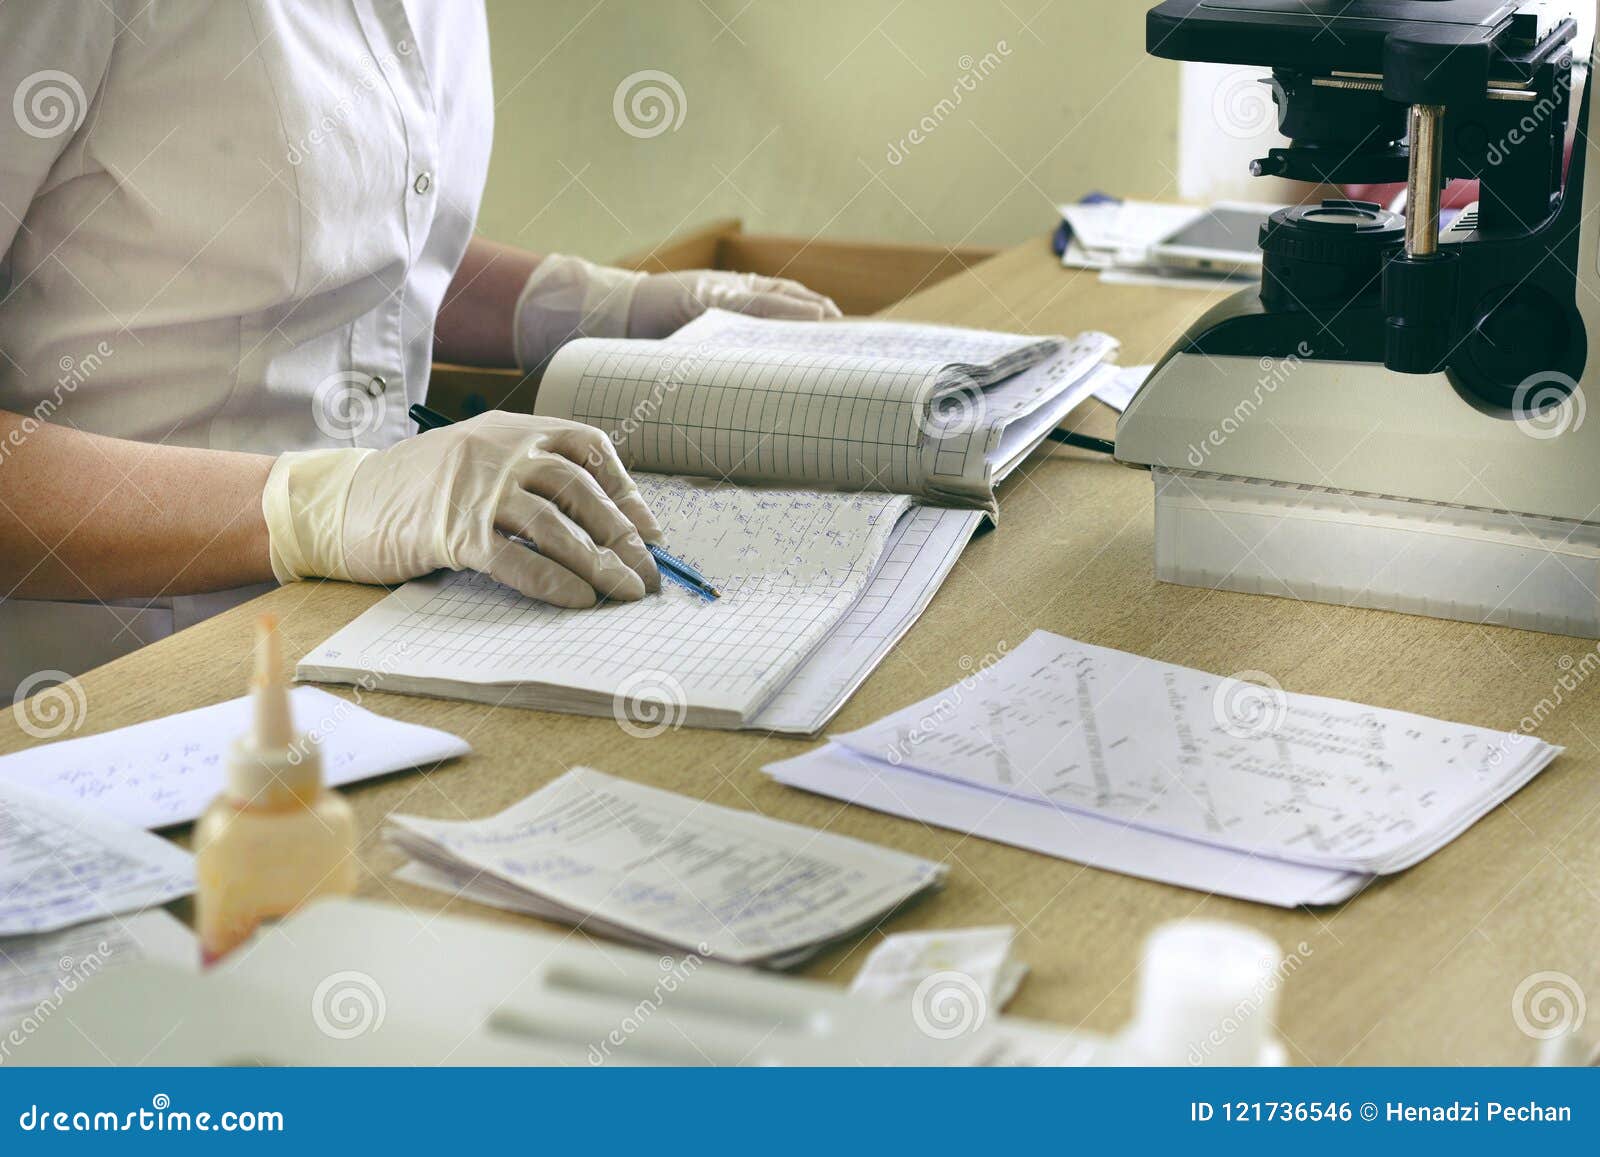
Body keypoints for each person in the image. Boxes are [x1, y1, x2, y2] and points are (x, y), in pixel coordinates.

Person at [0, 2, 839, 697]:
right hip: (106, 681)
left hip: (380, 630)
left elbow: (347, 254)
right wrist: (328, 504)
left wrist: (594, 305)